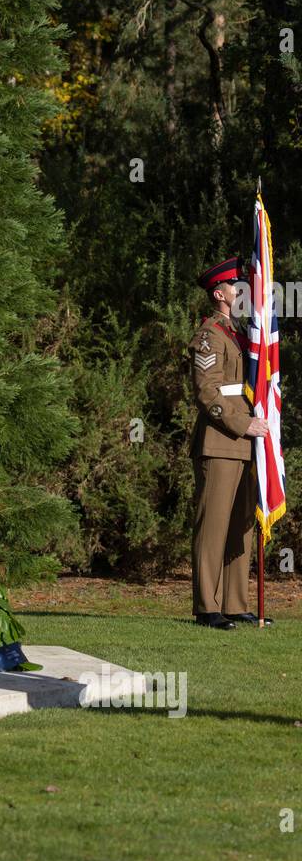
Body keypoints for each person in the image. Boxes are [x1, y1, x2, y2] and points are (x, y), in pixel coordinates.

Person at [190, 257, 270, 629]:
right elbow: (208, 393)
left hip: (245, 443)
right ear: (219, 294)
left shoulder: (239, 334)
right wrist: (244, 424)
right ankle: (208, 606)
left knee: (241, 526)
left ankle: (235, 603)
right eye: (236, 288)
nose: (242, 293)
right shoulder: (210, 334)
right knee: (214, 526)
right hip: (221, 441)